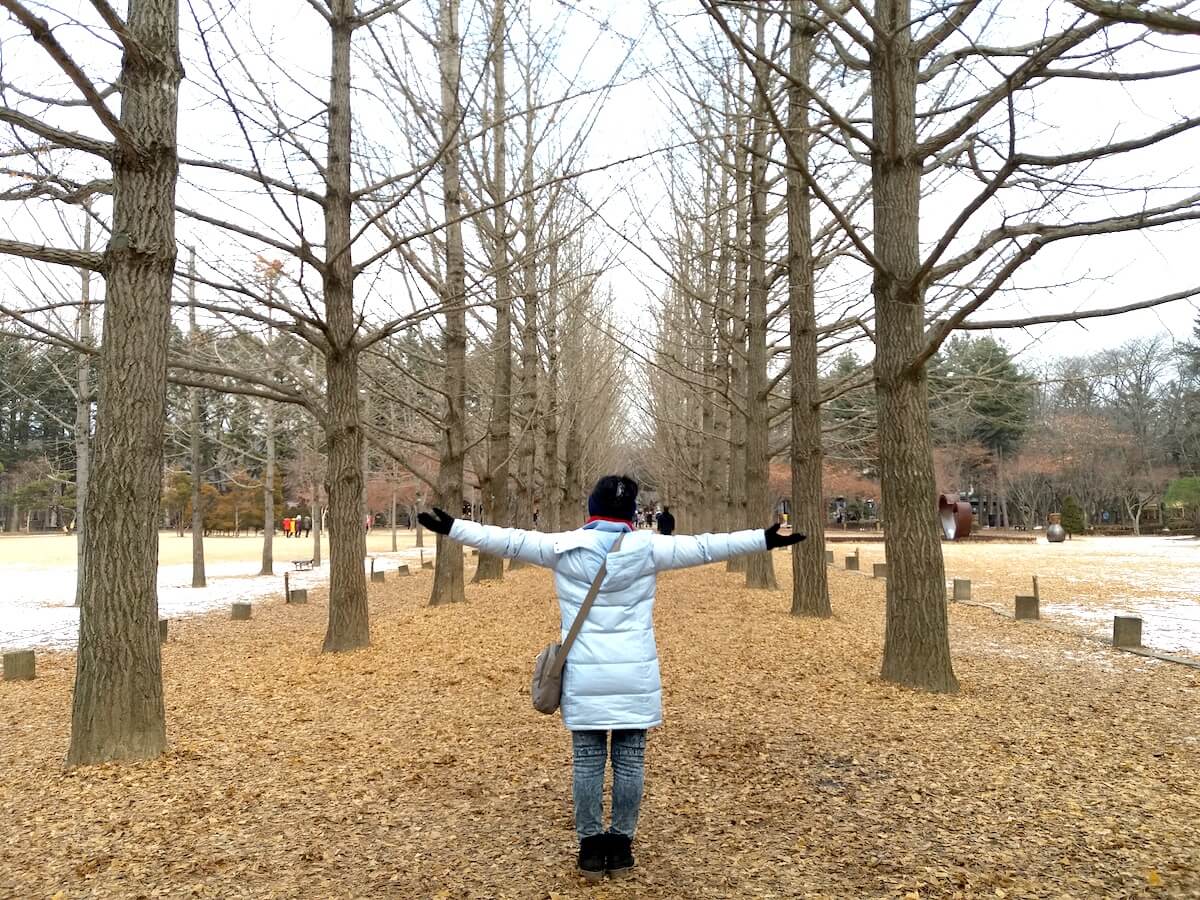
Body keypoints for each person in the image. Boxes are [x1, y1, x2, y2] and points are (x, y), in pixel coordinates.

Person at [418, 474, 804, 881]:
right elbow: (709, 546)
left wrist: (454, 528)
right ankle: (620, 848)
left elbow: (509, 540)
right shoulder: (651, 549)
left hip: (584, 675)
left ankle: (589, 849)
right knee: (630, 760)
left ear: (591, 507)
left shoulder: (561, 547)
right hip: (634, 674)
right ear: (632, 513)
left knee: (587, 762)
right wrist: (764, 539)